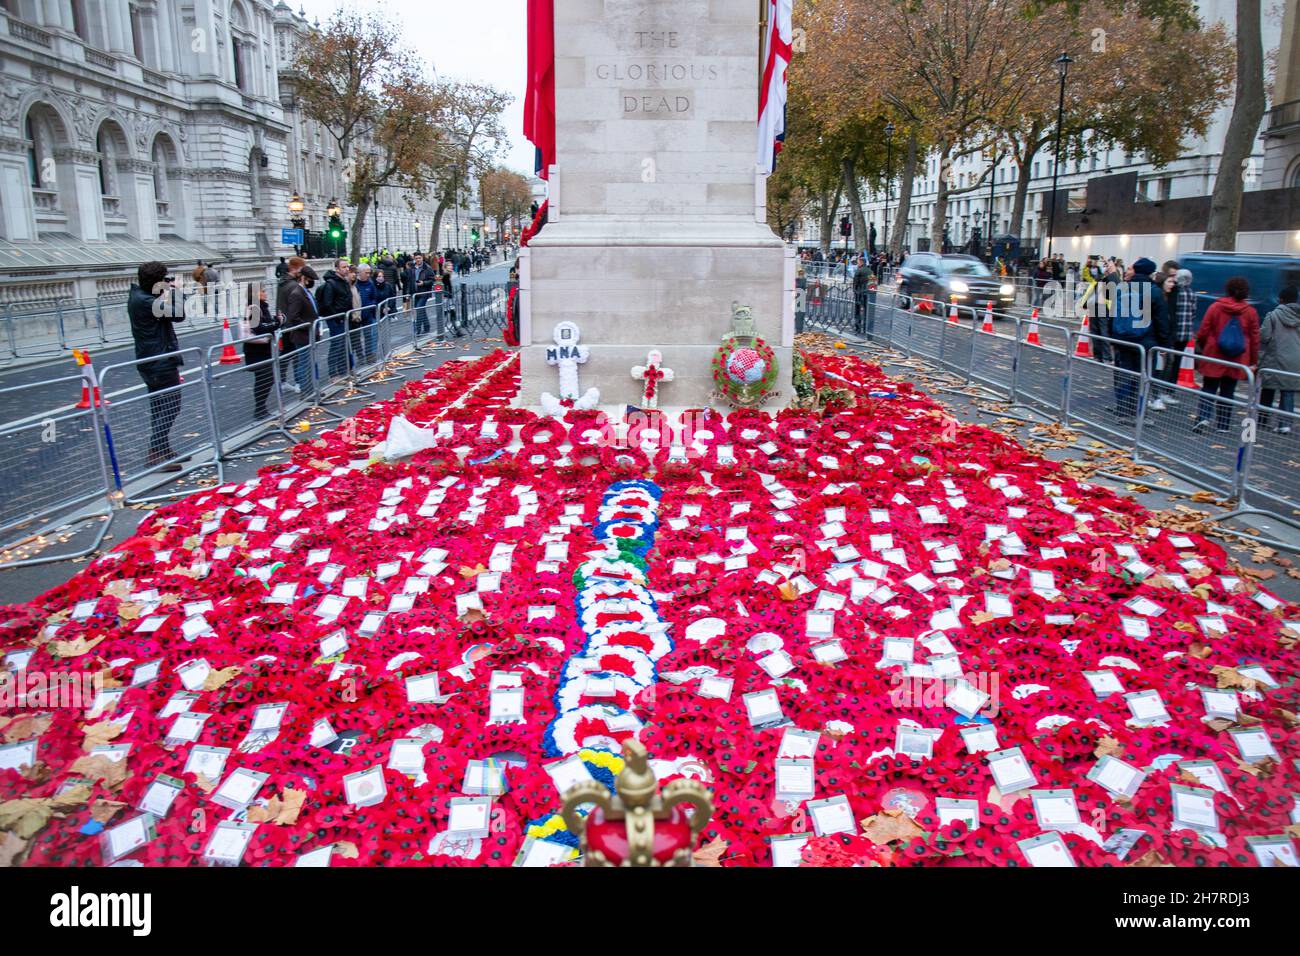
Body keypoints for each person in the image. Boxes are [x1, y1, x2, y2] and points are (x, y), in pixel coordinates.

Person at [128, 261, 187, 471]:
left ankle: (163, 449)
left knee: (159, 408)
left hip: (149, 359)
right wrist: (176, 291)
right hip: (160, 361)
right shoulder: (147, 302)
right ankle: (155, 453)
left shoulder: (139, 296)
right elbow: (179, 314)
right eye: (164, 279)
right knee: (172, 406)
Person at [1193, 276, 1260, 433]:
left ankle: (1203, 417)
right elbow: (1255, 338)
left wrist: (1203, 346)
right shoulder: (1250, 312)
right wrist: (1253, 360)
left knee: (1209, 388)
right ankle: (1223, 424)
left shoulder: (1216, 307)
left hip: (1214, 353)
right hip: (1237, 356)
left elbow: (1204, 330)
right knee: (1228, 391)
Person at [1108, 257, 1168, 426]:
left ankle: (1122, 410)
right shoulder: (1154, 291)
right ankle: (1138, 412)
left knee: (1125, 374)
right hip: (1145, 341)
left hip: (1123, 339)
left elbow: (1112, 313)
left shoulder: (1123, 287)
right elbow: (1162, 319)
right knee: (1142, 378)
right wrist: (1164, 344)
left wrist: (1113, 337)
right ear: (1151, 273)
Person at [1258, 286, 1300, 434]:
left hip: (1275, 357)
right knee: (1288, 390)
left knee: (1268, 388)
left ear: (1281, 299)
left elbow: (1264, 336)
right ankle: (1285, 424)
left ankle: (1263, 420)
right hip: (1296, 360)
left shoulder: (1273, 315)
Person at [243, 282, 280, 419]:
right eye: (262, 291)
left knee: (267, 379)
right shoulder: (254, 307)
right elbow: (259, 328)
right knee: (264, 379)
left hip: (264, 349)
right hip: (257, 350)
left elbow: (266, 325)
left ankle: (261, 408)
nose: (265, 293)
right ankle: (259, 409)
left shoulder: (262, 306)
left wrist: (276, 322)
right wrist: (277, 323)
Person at [315, 259, 353, 377]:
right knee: (336, 345)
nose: (346, 269)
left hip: (344, 318)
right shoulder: (331, 284)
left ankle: (343, 371)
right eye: (343, 267)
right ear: (337, 269)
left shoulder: (345, 282)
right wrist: (337, 317)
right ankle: (333, 373)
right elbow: (327, 303)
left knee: (344, 345)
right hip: (336, 319)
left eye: (347, 267)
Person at [354, 263, 380, 363]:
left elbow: (374, 297)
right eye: (366, 273)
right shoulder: (355, 284)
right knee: (356, 338)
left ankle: (369, 356)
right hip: (356, 315)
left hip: (367, 315)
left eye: (369, 273)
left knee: (368, 336)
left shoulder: (370, 284)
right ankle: (360, 356)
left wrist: (370, 305)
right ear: (360, 273)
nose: (368, 275)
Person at [406, 253, 435, 336]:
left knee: (419, 309)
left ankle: (417, 330)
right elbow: (409, 281)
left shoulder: (427, 268)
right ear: (414, 259)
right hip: (414, 293)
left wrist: (423, 283)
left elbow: (432, 280)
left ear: (422, 258)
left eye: (419, 258)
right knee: (421, 310)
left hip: (424, 292)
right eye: (416, 258)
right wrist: (408, 293)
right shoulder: (412, 268)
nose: (418, 260)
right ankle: (427, 326)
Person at [852, 254, 875, 337]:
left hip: (860, 292)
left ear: (861, 262)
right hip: (868, 293)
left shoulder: (859, 271)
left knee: (858, 310)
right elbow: (873, 282)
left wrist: (855, 291)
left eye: (858, 262)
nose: (857, 264)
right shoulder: (870, 271)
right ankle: (866, 328)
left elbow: (855, 283)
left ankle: (857, 327)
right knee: (867, 310)